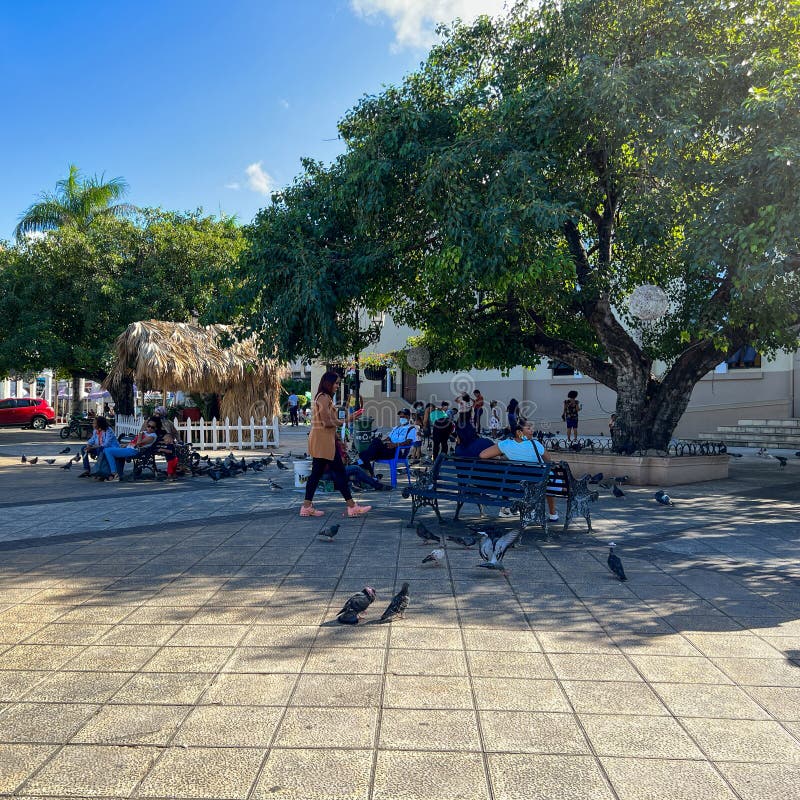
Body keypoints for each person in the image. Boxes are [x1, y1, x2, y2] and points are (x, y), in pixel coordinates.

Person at [300, 371, 371, 518]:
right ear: (328, 383)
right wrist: (348, 419)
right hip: (323, 442)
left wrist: (338, 438)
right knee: (337, 473)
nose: (338, 386)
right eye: (336, 383)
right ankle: (352, 507)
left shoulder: (324, 397)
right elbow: (326, 422)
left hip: (324, 441)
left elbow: (328, 424)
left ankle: (307, 507)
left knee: (319, 474)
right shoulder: (324, 398)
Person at [479, 420, 559, 521]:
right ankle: (553, 514)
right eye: (528, 428)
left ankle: (507, 508)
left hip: (517, 483)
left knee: (508, 475)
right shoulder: (536, 444)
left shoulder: (506, 444)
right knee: (550, 481)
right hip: (537, 483)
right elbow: (548, 460)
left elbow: (483, 455)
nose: (532, 431)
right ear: (519, 432)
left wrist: (500, 458)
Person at [358, 408, 420, 475]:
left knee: (364, 455)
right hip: (387, 449)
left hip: (396, 451)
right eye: (400, 417)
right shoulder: (396, 428)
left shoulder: (411, 428)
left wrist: (395, 445)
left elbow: (408, 442)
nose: (401, 418)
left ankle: (363, 467)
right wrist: (382, 442)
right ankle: (371, 475)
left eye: (403, 417)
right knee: (365, 452)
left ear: (408, 417)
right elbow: (388, 439)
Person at [99, 416, 161, 481]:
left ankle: (114, 474)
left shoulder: (152, 436)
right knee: (106, 450)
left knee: (107, 451)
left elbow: (139, 443)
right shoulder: (145, 433)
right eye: (148, 426)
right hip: (130, 448)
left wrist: (140, 433)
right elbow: (134, 442)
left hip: (134, 451)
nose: (150, 428)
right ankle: (109, 474)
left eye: (152, 427)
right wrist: (125, 445)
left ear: (155, 429)